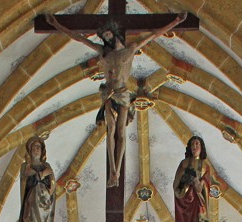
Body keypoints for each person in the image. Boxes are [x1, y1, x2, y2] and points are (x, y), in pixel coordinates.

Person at [46, 12, 187, 187]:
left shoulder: (130, 49)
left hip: (123, 93)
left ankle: (117, 171)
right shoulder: (103, 52)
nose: (106, 39)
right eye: (104, 37)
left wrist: (175, 21)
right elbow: (80, 39)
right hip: (108, 93)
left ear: (114, 34)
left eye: (108, 35)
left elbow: (153, 35)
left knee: (120, 131)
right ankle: (112, 170)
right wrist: (57, 24)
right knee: (110, 129)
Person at [173, 135, 215, 222]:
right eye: (192, 144)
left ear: (201, 147)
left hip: (198, 198)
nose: (194, 146)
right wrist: (185, 179)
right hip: (185, 196)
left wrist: (198, 183)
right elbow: (176, 183)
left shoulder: (205, 165)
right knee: (185, 220)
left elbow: (206, 185)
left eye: (197, 144)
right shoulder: (184, 163)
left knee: (199, 216)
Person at [17, 136, 55, 222]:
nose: (37, 149)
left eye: (39, 147)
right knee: (29, 217)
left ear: (42, 150)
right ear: (30, 150)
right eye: (34, 147)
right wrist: (41, 175)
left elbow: (52, 183)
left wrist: (41, 176)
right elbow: (25, 181)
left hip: (44, 200)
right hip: (31, 198)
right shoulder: (25, 166)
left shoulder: (46, 165)